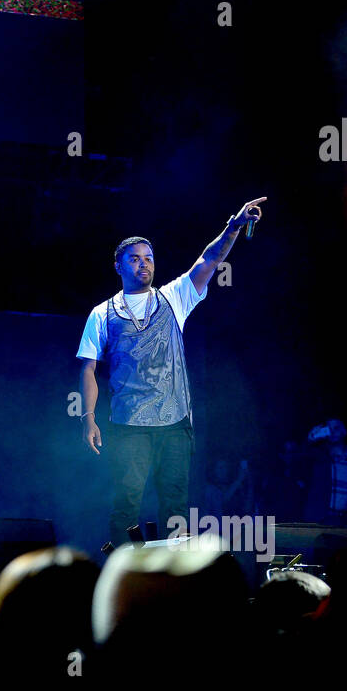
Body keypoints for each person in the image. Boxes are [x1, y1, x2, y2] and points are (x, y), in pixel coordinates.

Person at [77, 198, 266, 551]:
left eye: (148, 257)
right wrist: (88, 418)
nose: (143, 264)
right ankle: (122, 575)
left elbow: (209, 260)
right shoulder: (102, 313)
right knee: (126, 503)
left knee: (175, 504)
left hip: (174, 423)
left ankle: (172, 579)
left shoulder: (173, 298)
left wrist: (234, 225)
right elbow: (88, 368)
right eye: (134, 258)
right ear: (118, 265)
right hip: (129, 424)